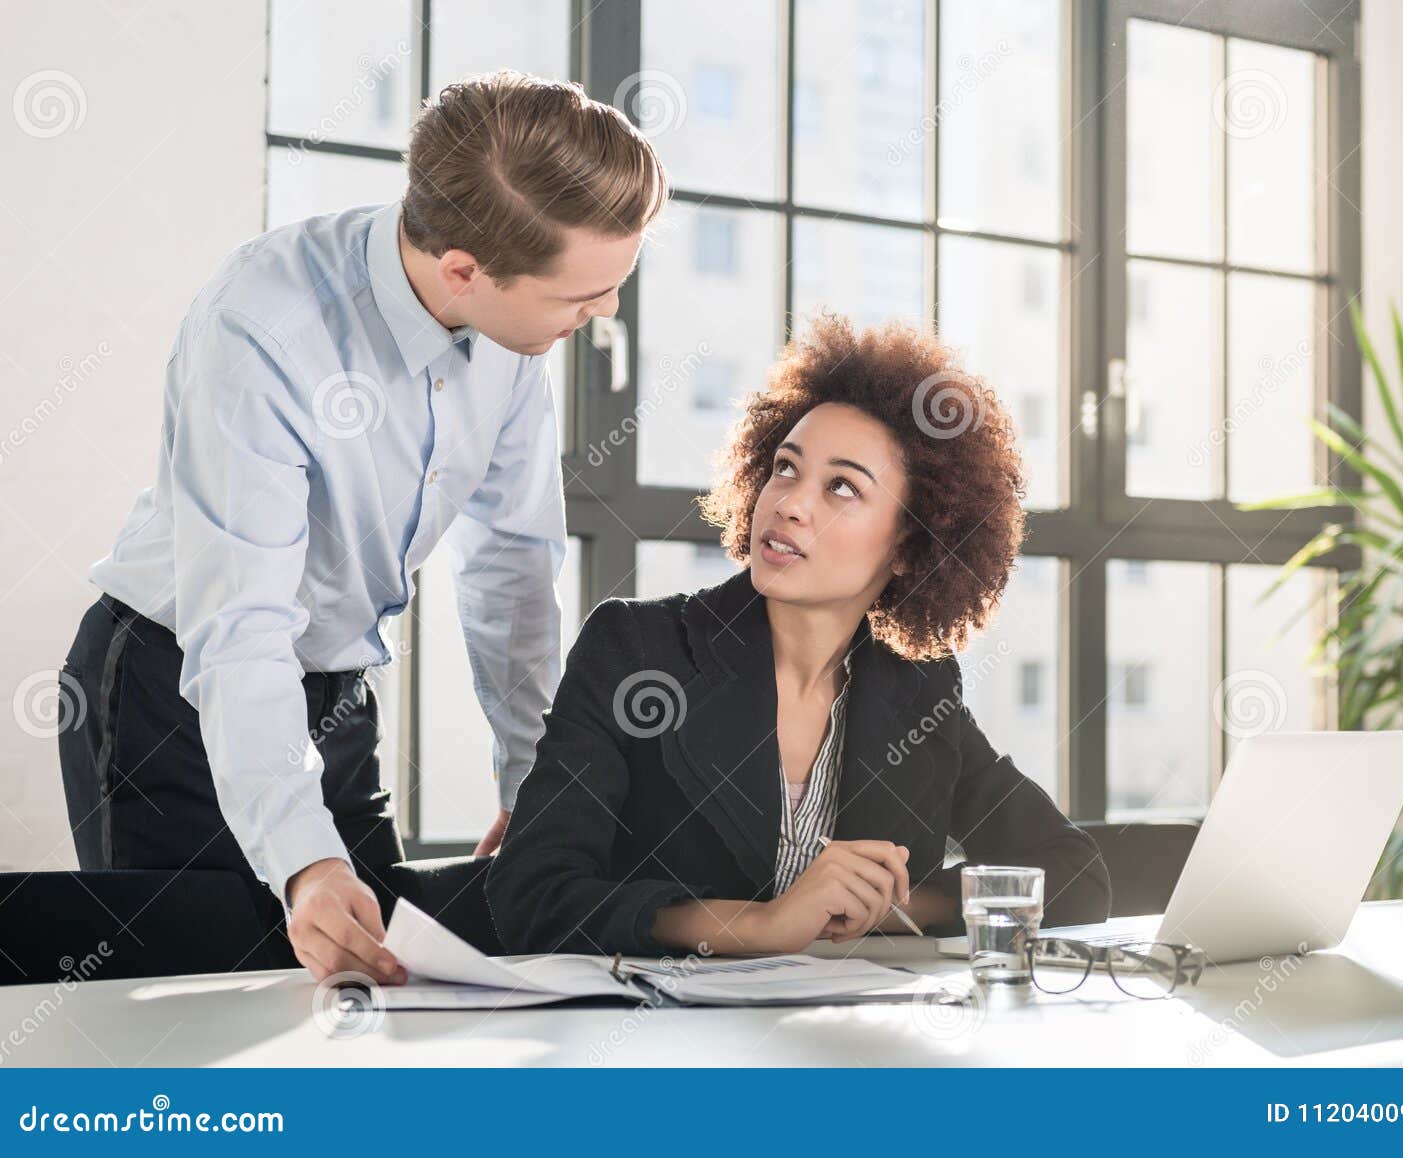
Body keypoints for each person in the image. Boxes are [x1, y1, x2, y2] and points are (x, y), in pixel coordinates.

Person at [57, 72, 667, 984]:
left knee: (379, 986)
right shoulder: (264, 326)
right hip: (170, 684)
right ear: (463, 269)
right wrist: (305, 861)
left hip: (334, 688)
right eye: (581, 296)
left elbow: (511, 574)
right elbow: (242, 630)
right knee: (185, 1005)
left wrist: (538, 790)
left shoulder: (512, 329)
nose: (606, 313)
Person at [486, 314, 1112, 956]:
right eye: (786, 467)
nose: (789, 503)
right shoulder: (638, 649)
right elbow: (530, 895)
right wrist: (758, 924)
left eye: (841, 486)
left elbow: (1073, 873)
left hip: (835, 1040)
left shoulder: (919, 686)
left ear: (909, 545)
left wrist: (884, 909)